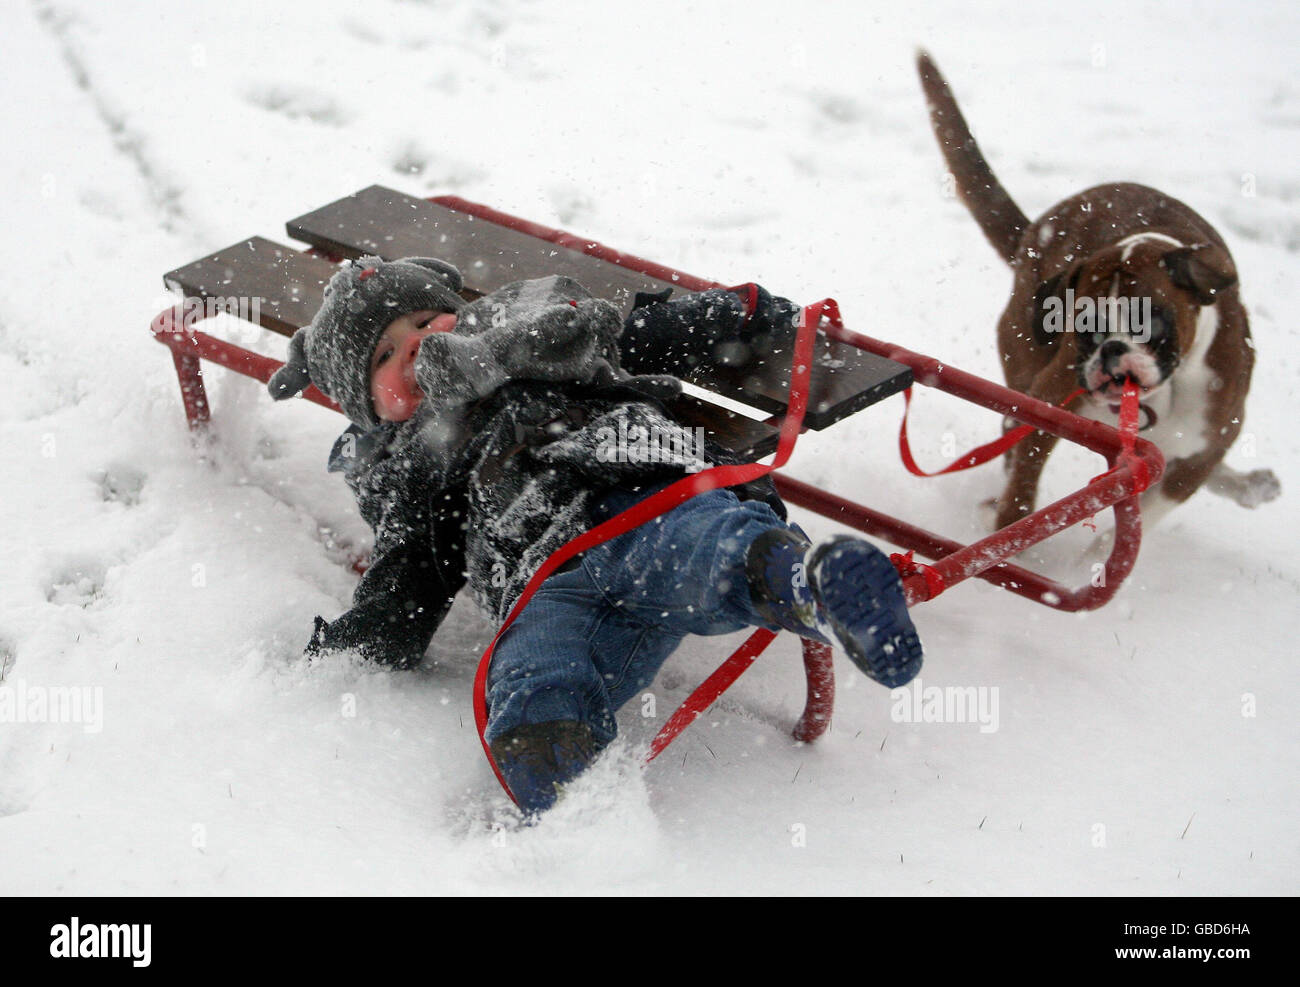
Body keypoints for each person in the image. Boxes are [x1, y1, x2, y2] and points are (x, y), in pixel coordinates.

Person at [268, 255, 923, 815]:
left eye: (421, 321)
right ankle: (561, 780)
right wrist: (371, 636)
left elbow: (643, 333)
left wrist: (733, 313)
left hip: (640, 499)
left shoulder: (532, 334)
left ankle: (817, 588)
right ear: (372, 411)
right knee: (533, 665)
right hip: (547, 583)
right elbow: (412, 571)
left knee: (707, 550)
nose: (412, 344)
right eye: (384, 354)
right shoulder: (420, 464)